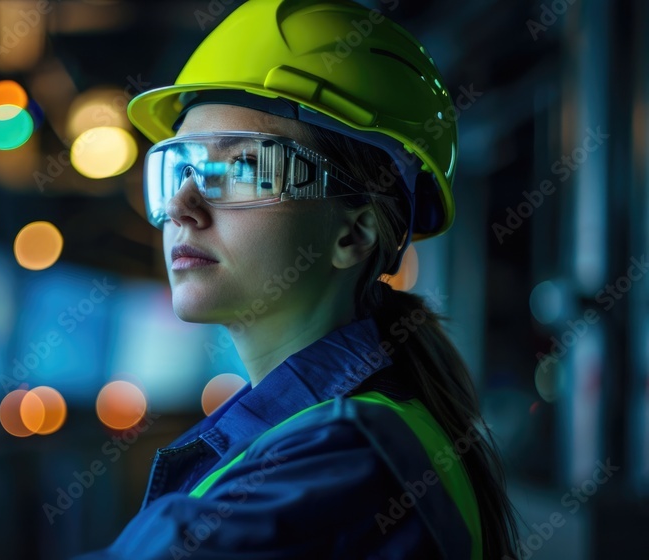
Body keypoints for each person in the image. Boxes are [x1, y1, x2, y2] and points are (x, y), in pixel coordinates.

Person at [75, 0, 520, 558]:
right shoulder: (320, 434)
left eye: (242, 168)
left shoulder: (346, 459)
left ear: (352, 235)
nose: (183, 206)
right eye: (180, 167)